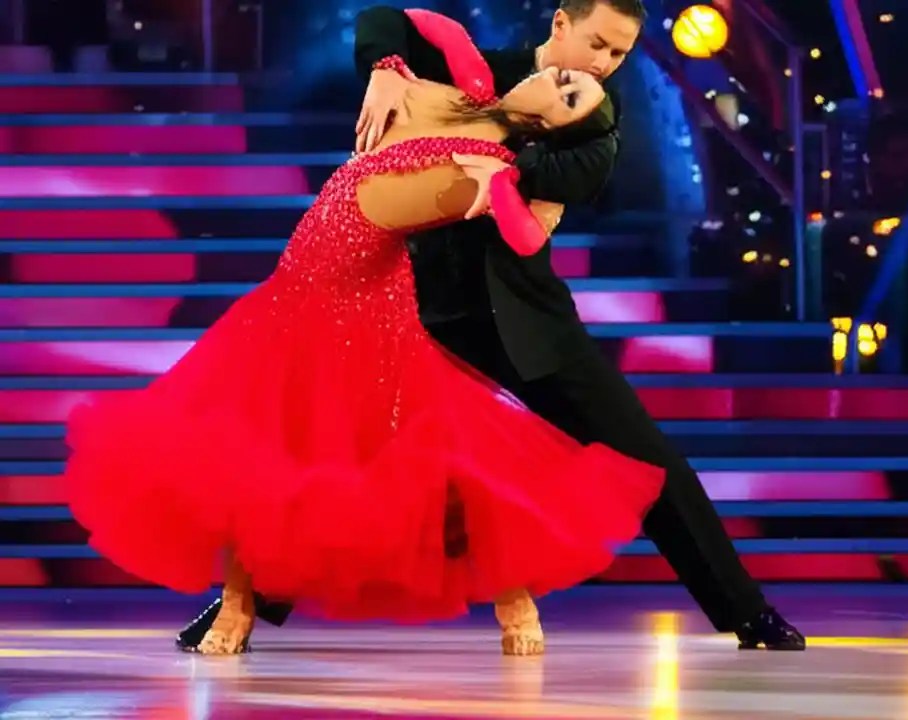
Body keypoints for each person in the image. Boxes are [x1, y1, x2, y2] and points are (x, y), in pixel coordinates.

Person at [177, 0, 805, 653]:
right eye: (597, 44)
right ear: (561, 24)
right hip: (418, 314)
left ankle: (746, 613)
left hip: (525, 321)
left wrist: (506, 156)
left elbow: (579, 172)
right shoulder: (481, 71)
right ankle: (241, 604)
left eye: (619, 54)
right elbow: (387, 19)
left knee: (648, 457)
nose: (604, 64)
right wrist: (386, 68)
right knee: (335, 455)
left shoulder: (593, 109)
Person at [67, 7, 667, 657]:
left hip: (366, 303)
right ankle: (235, 608)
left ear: (551, 126)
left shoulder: (507, 168)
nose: (567, 77)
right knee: (257, 449)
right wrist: (386, 68)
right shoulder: (468, 91)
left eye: (572, 96)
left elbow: (527, 241)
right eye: (574, 72)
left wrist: (500, 185)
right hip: (295, 291)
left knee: (435, 460)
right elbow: (425, 20)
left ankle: (513, 598)